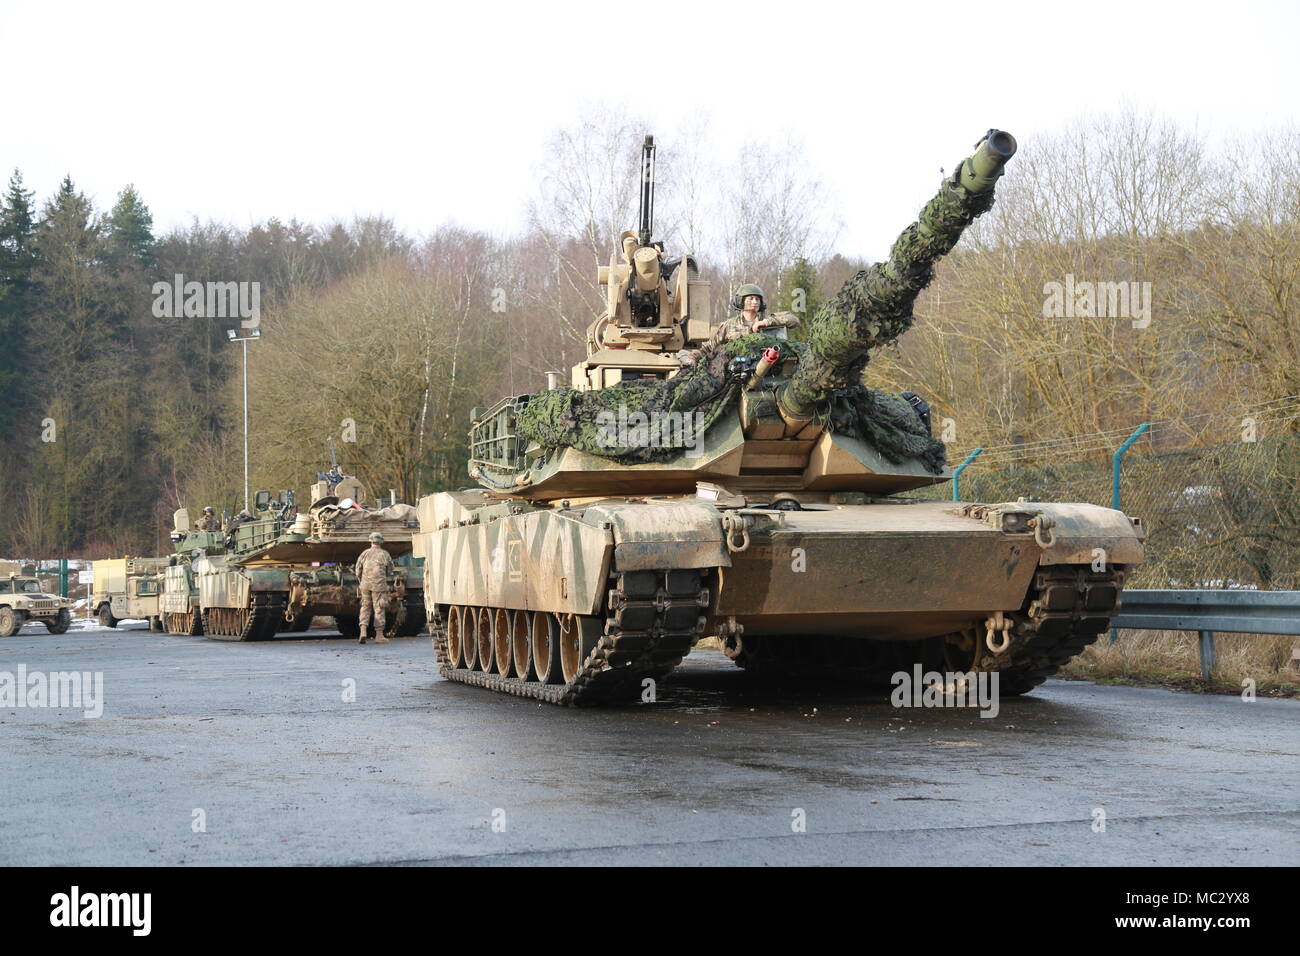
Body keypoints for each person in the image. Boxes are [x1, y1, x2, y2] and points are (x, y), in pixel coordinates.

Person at [708, 283, 800, 348]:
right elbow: (708, 347)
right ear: (741, 302)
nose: (755, 302)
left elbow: (794, 320)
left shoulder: (767, 320)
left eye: (757, 299)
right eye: (751, 299)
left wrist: (766, 322)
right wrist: (693, 358)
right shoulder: (729, 325)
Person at [354, 532, 394, 644]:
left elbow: (358, 569)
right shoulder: (384, 554)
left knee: (365, 607)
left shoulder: (365, 553)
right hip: (379, 585)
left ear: (371, 541)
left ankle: (363, 631)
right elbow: (390, 570)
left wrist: (361, 581)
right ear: (381, 541)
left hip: (365, 584)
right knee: (379, 608)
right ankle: (379, 635)